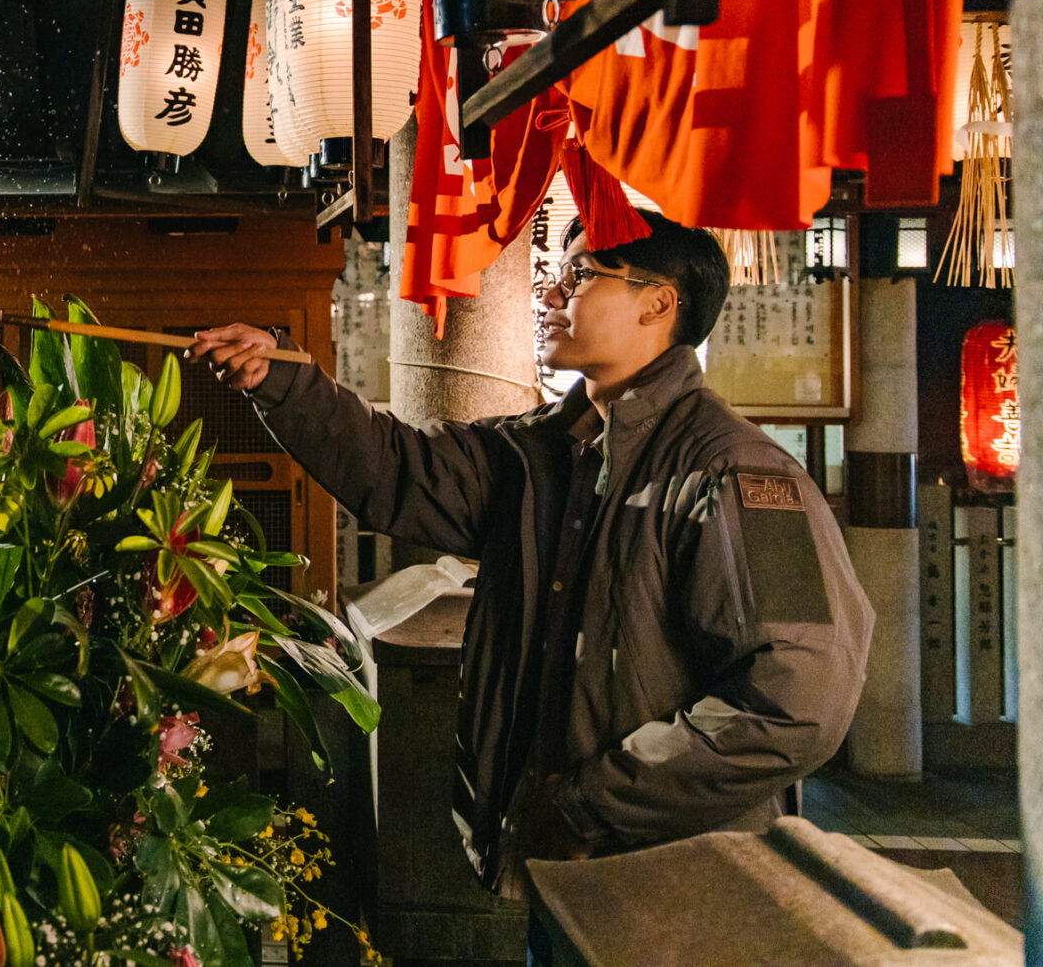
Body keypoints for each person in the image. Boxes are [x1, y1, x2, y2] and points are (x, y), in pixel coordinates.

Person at [190, 212, 872, 908]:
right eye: (554, 275)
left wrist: (591, 801)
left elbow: (798, 701)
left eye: (578, 276)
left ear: (658, 302)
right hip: (568, 867)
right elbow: (398, 469)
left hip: (687, 886)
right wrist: (279, 375)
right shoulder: (545, 453)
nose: (548, 295)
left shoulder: (731, 471)